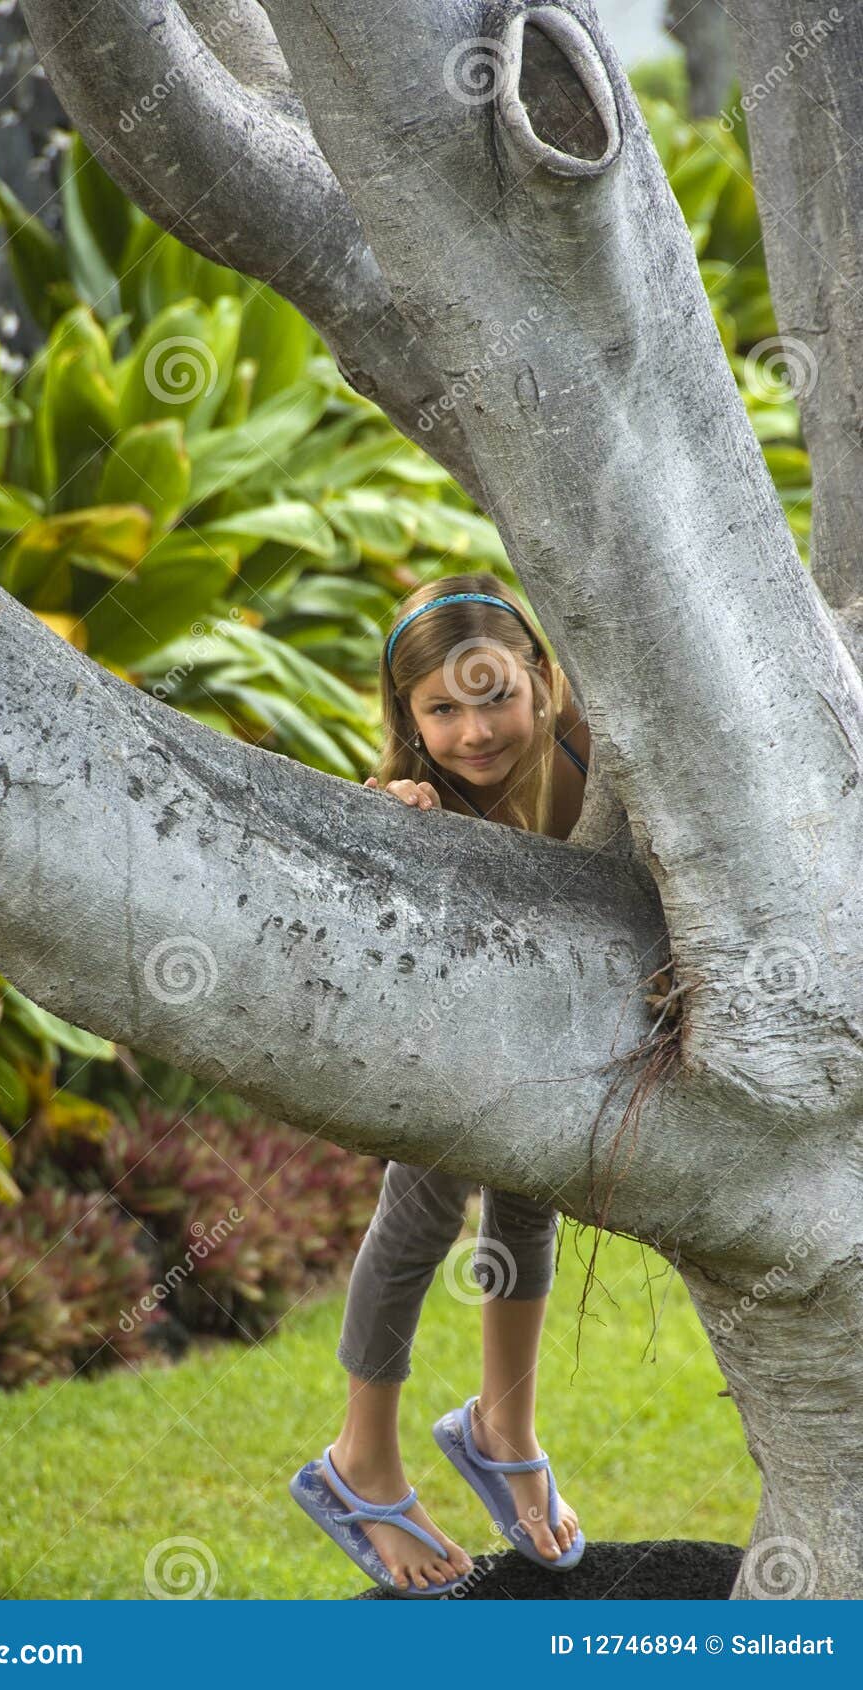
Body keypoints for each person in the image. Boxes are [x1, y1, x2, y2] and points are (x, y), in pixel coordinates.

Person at [289, 572, 589, 1595]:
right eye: (442, 710)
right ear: (407, 719)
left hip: (553, 1034)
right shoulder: (411, 798)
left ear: (540, 678)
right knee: (417, 1218)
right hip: (448, 1045)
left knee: (528, 1204)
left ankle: (500, 1421)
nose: (474, 730)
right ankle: (356, 1456)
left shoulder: (593, 756)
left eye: (494, 693)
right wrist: (394, 825)